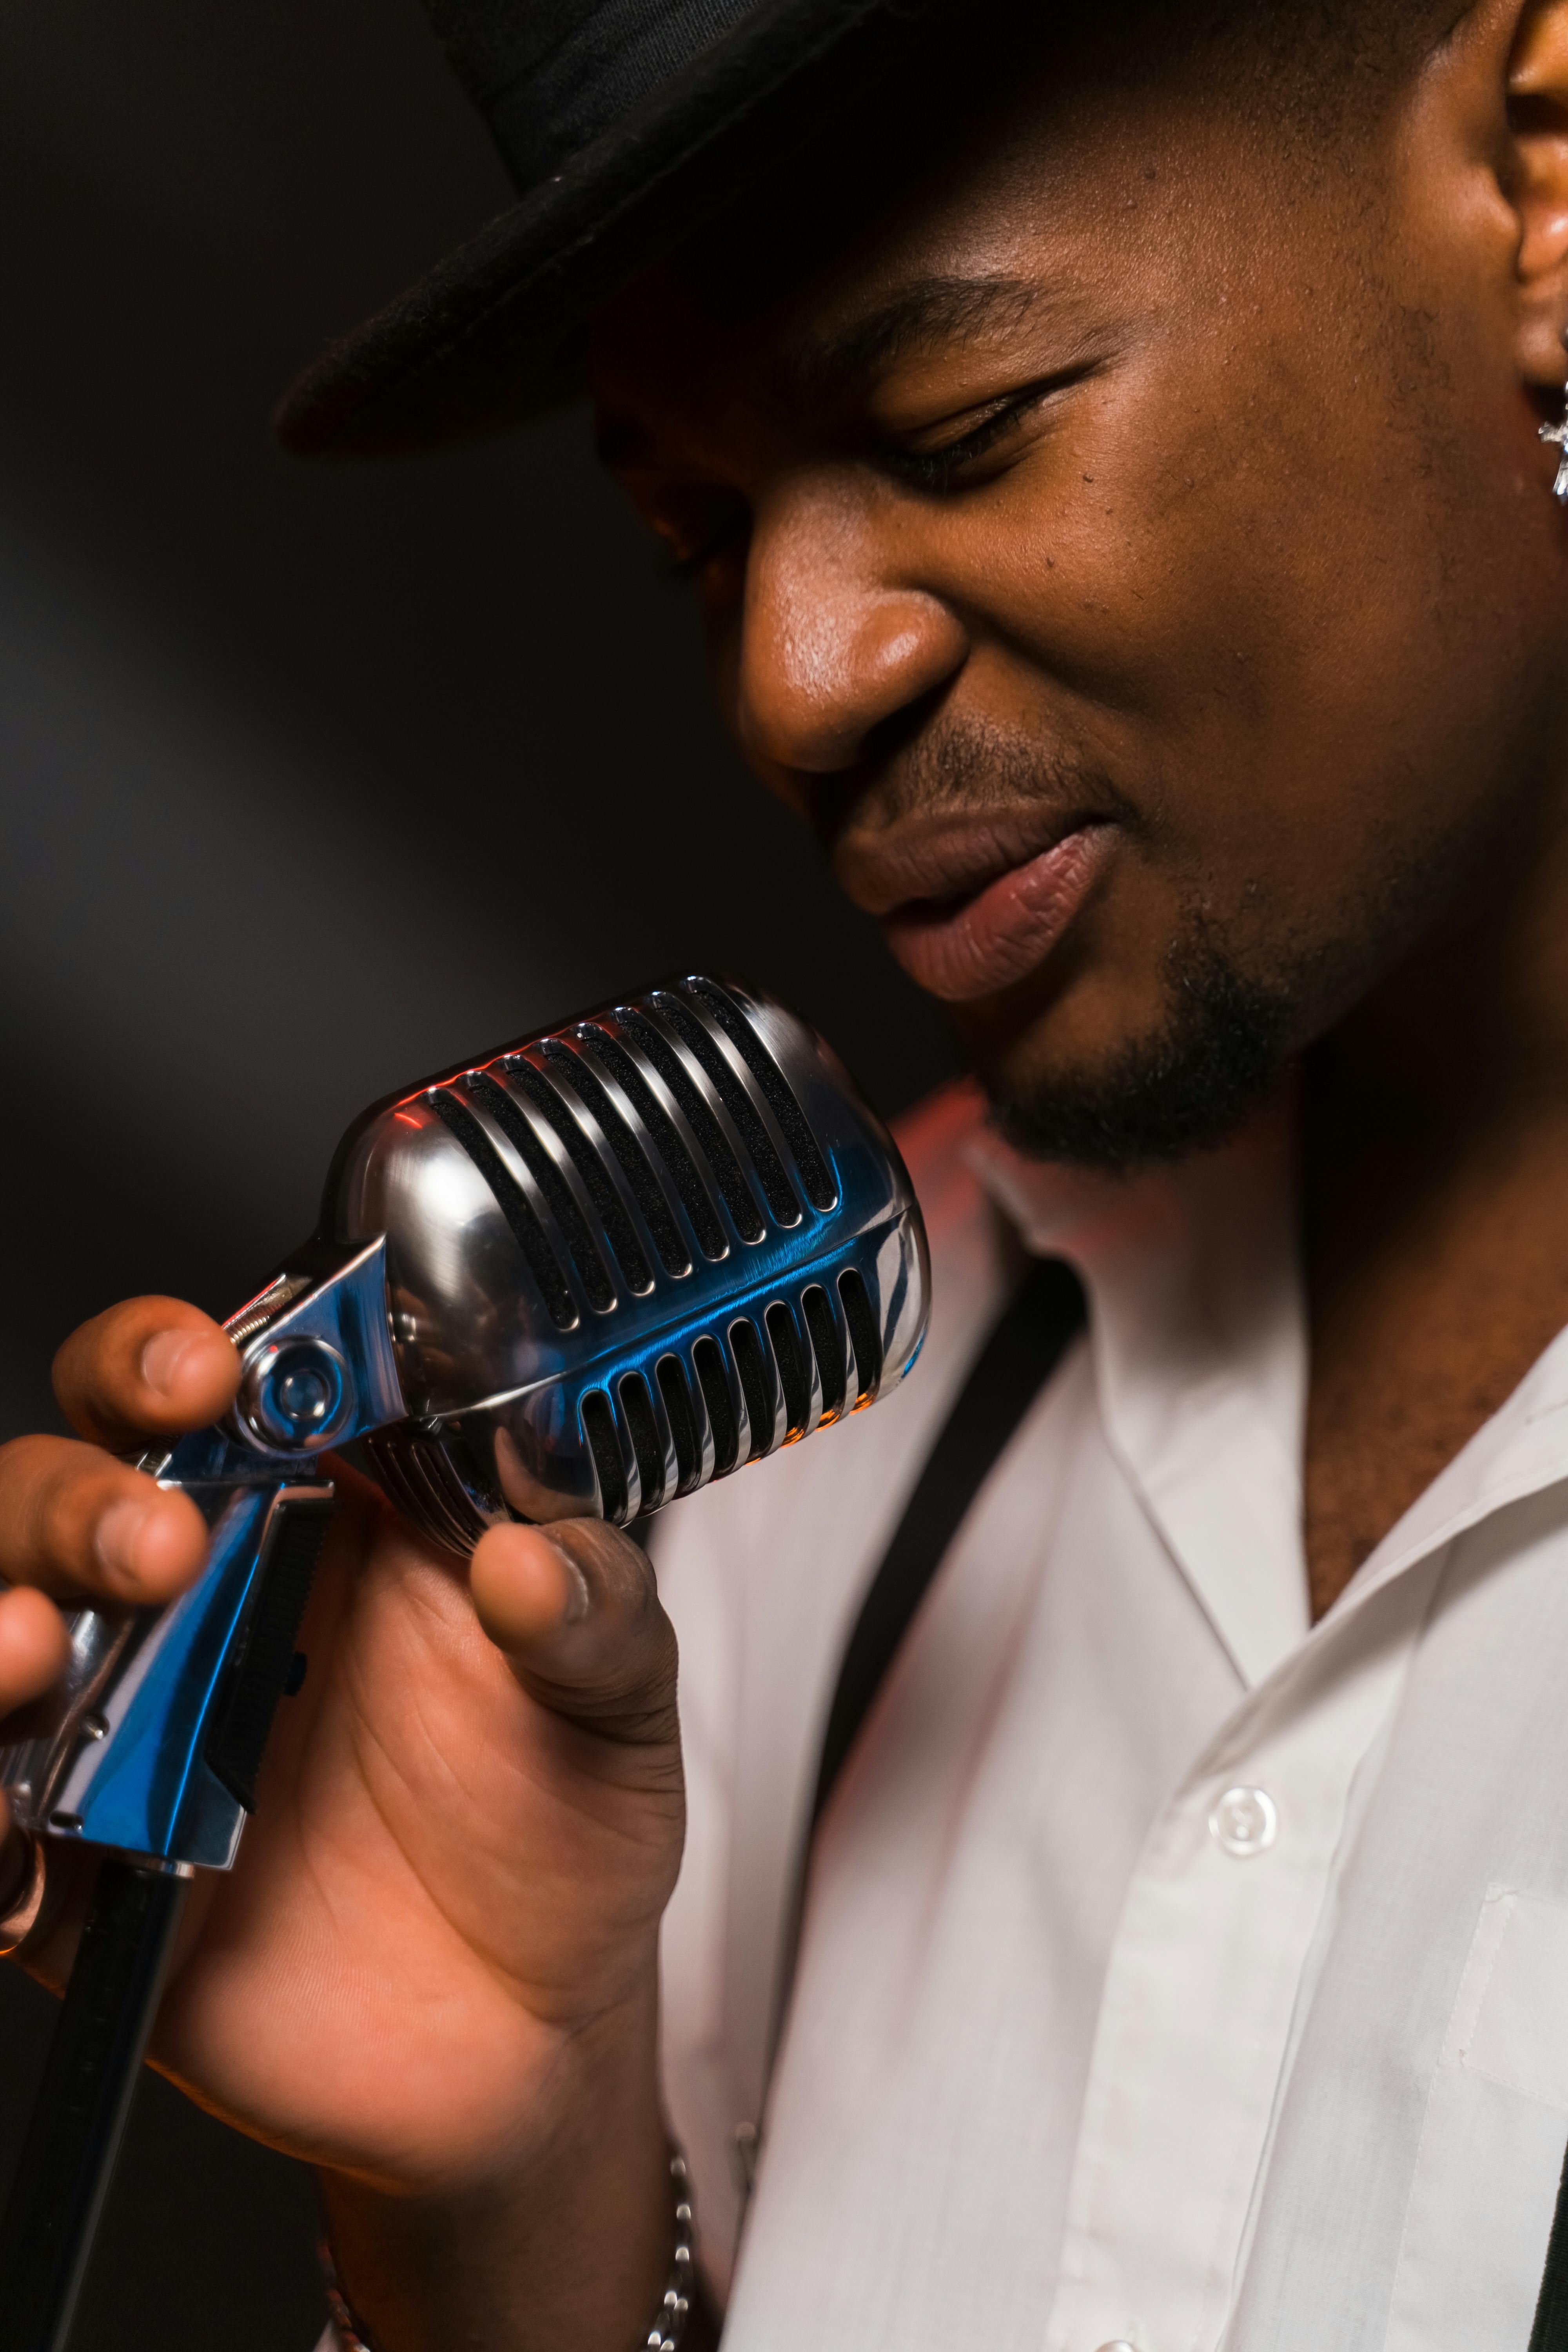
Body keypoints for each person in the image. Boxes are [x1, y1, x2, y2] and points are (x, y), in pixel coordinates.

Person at [7, 0, 1568, 2341]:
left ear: (1541, 188)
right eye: (697, 539)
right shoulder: (773, 1486)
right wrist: (507, 2192)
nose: (791, 677)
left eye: (961, 426)